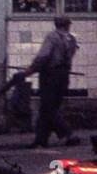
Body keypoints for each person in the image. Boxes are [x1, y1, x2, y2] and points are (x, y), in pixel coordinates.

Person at [25, 14, 80, 148]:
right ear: (67, 25)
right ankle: (40, 140)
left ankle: (68, 134)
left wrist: (31, 69)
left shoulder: (52, 37)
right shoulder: (71, 39)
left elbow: (44, 56)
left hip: (50, 76)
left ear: (56, 24)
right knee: (48, 108)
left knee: (49, 108)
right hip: (63, 76)